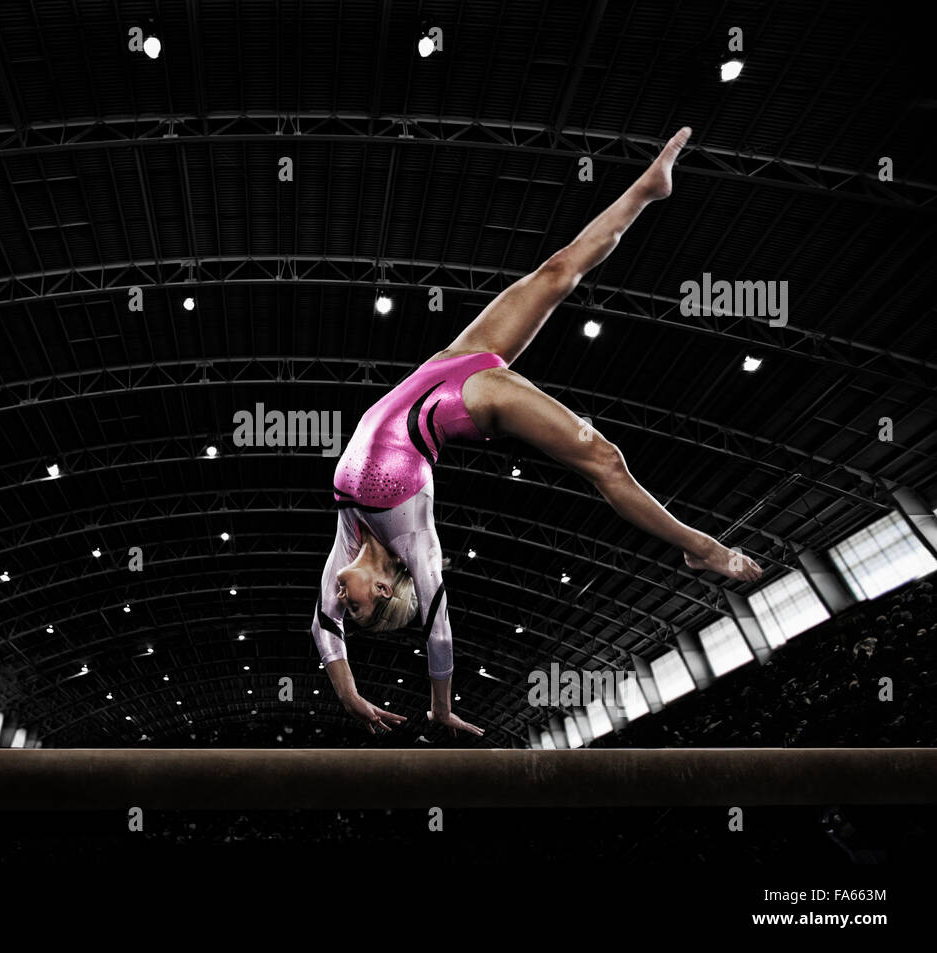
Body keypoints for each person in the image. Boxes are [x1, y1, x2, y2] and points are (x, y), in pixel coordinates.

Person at [310, 127, 762, 737]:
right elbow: (438, 631)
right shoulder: (417, 549)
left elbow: (321, 629)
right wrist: (440, 709)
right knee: (603, 459)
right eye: (358, 607)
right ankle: (702, 547)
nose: (343, 600)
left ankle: (649, 188)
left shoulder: (346, 541)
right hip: (473, 400)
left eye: (348, 607)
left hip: (448, 362)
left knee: (558, 271)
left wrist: (351, 698)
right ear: (390, 589)